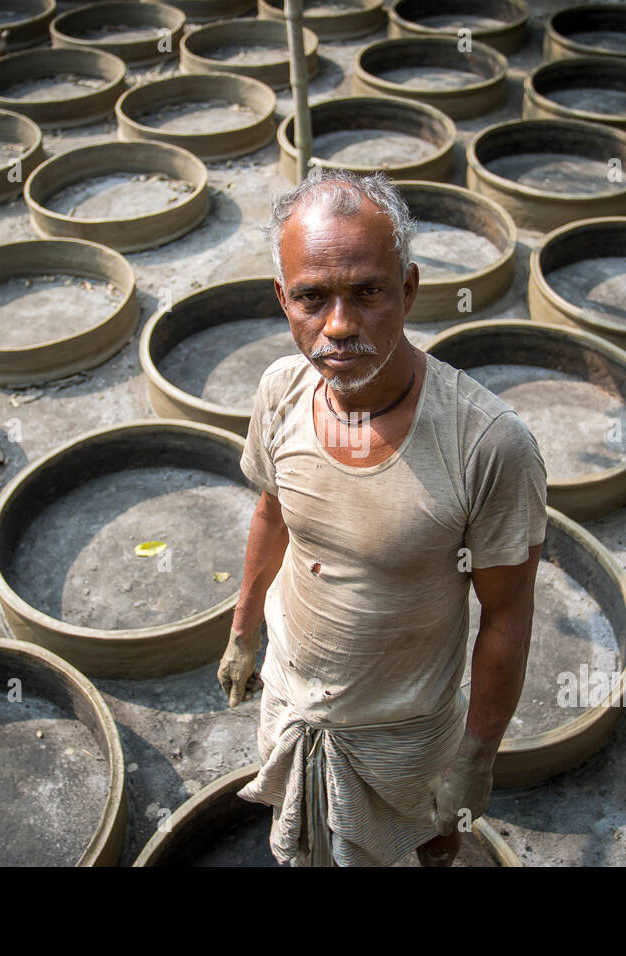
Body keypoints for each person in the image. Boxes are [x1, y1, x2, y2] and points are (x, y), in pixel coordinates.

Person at [217, 167, 548, 867]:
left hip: (405, 731)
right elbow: (274, 513)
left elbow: (508, 614)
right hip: (292, 695)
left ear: (408, 288)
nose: (338, 327)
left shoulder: (486, 444)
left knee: (428, 842)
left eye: (367, 292)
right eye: (312, 298)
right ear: (283, 299)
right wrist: (244, 631)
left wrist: (477, 755)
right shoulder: (282, 391)